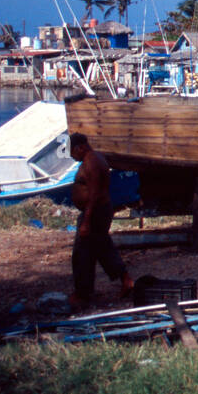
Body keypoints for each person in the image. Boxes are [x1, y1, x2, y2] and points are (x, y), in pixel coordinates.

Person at [68, 132, 133, 310]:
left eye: (73, 153)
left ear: (80, 147)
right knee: (101, 248)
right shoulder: (92, 159)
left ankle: (83, 293)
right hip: (95, 211)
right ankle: (124, 280)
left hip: (95, 212)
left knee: (82, 252)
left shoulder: (92, 161)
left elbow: (95, 192)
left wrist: (87, 220)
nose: (73, 158)